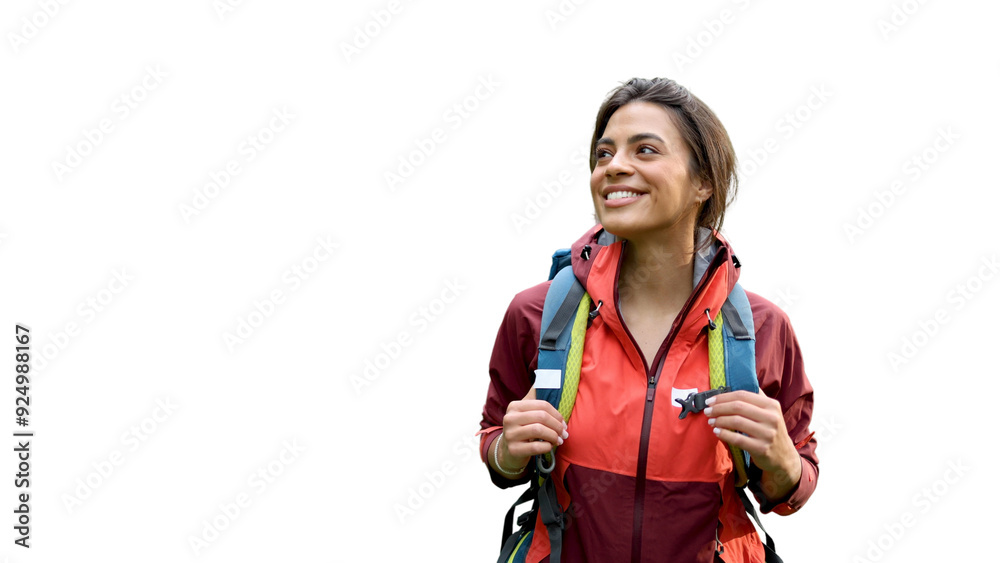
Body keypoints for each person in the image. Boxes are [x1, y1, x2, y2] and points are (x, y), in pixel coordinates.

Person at [477, 78, 818, 562]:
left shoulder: (762, 328)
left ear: (703, 182)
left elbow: (794, 483)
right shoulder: (538, 314)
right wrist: (506, 451)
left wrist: (783, 462)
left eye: (645, 150)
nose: (614, 167)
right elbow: (495, 440)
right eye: (604, 154)